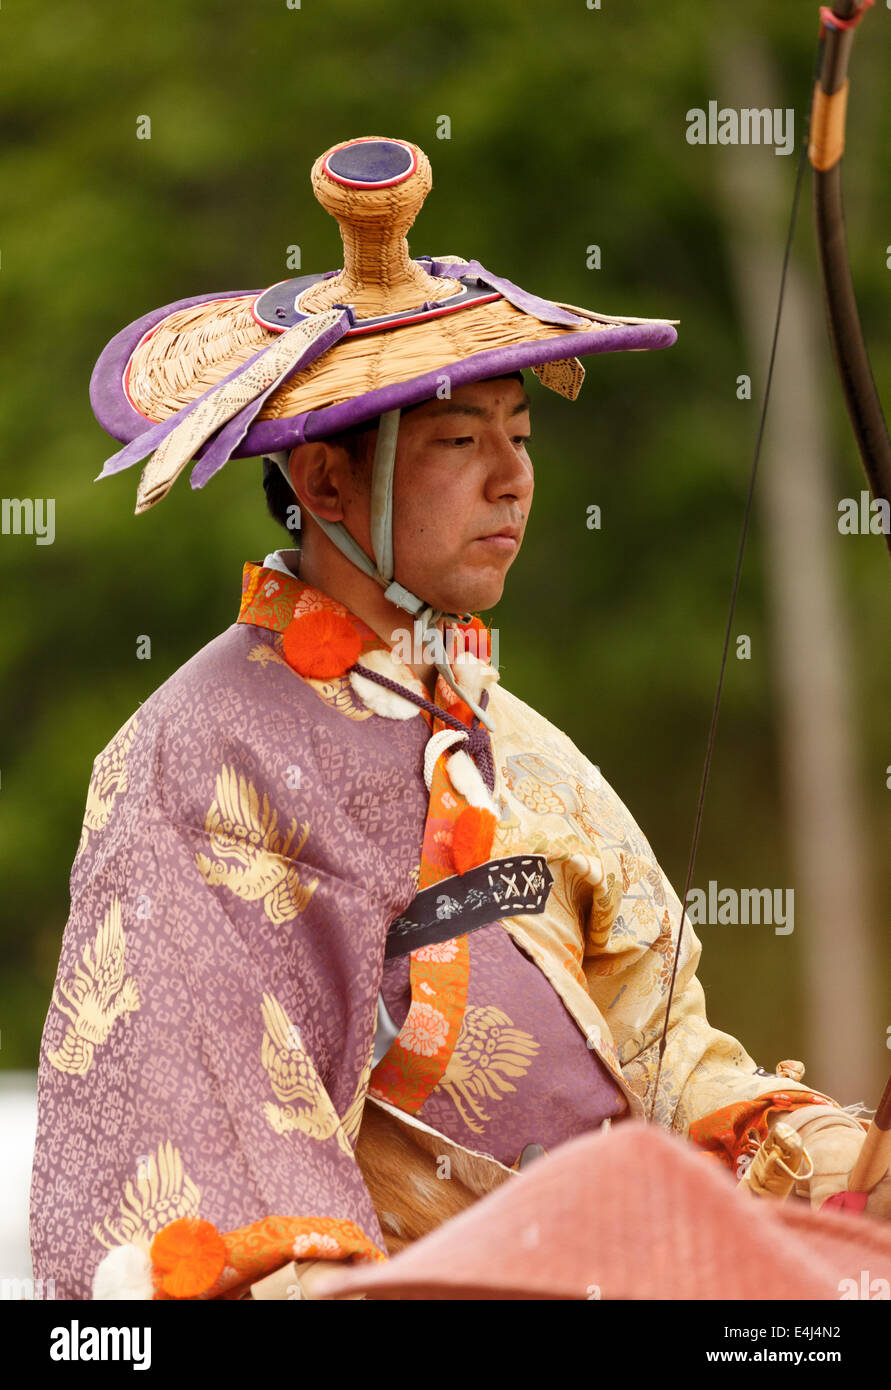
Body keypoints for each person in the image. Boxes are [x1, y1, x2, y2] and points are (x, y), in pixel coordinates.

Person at [30, 136, 885, 1303]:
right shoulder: (197, 759)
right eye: (459, 441)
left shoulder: (525, 747)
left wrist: (828, 1159)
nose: (513, 478)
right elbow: (219, 1176)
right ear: (326, 482)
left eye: (519, 438)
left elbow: (666, 1058)